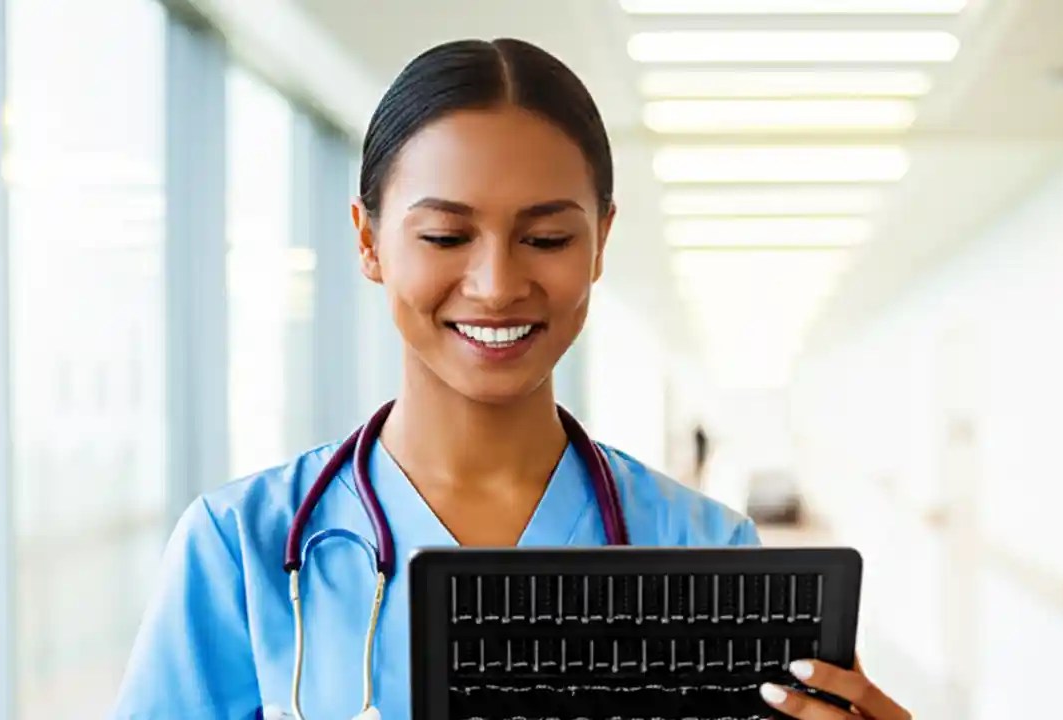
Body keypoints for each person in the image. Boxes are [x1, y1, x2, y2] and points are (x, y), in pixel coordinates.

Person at [111, 38, 911, 720]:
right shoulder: (243, 550)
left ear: (600, 241)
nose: (495, 284)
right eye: (446, 234)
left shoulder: (703, 549)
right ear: (369, 241)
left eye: (548, 237)